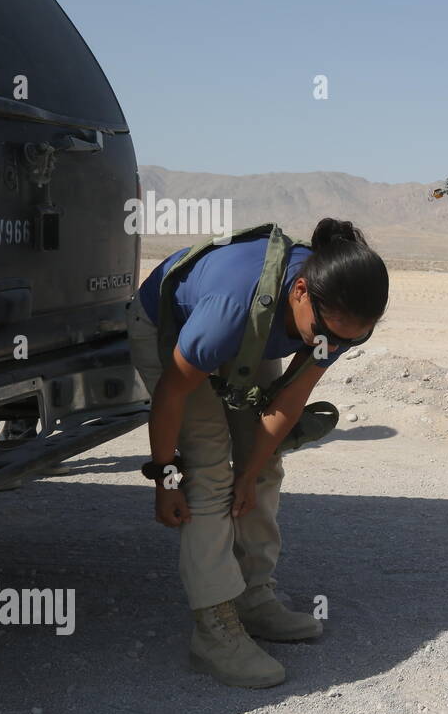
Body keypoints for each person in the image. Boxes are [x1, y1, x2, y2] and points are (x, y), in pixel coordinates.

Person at [127, 218, 388, 687]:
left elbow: (289, 400)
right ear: (302, 291)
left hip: (250, 332)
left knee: (265, 465)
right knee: (208, 473)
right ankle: (213, 632)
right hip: (174, 329)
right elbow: (172, 393)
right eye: (323, 332)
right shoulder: (232, 307)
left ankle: (253, 596)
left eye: (348, 337)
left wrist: (250, 473)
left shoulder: (338, 318)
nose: (327, 343)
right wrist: (165, 475)